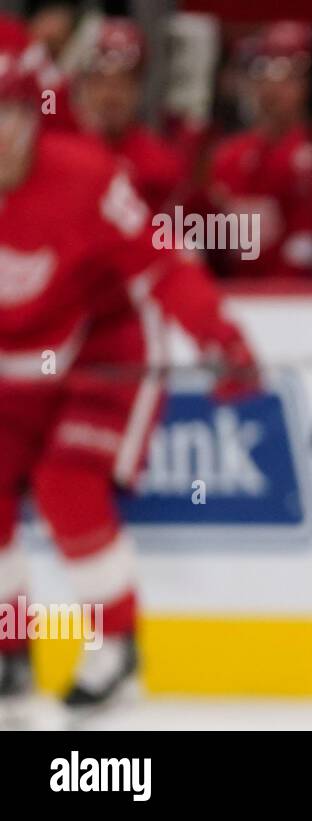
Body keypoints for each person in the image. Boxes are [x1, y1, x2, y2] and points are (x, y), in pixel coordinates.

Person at [0, 31, 258, 719]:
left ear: (34, 116)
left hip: (104, 349)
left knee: (66, 482)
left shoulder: (86, 177)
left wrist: (219, 335)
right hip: (15, 365)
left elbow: (164, 267)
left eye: (11, 115)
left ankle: (115, 644)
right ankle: (9, 646)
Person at [207, 21, 312, 278]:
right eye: (264, 70)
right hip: (235, 293)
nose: (274, 88)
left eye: (288, 76)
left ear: (307, 84)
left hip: (301, 299)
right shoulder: (228, 156)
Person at [73, 18, 184, 212]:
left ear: (139, 90)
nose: (111, 95)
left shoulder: (162, 163)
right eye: (101, 82)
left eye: (123, 83)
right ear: (85, 87)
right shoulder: (61, 154)